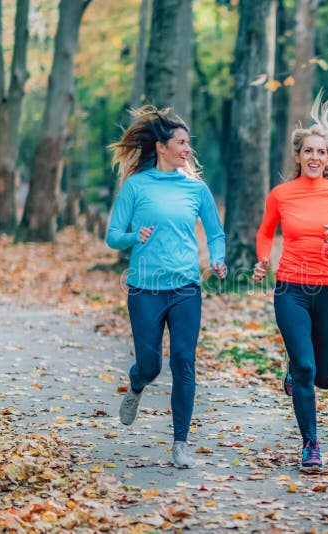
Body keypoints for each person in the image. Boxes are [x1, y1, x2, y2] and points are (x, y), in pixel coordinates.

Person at [253, 94, 328, 472]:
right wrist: (262, 261)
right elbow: (264, 233)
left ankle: (294, 370)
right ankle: (311, 445)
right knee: (306, 368)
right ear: (299, 156)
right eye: (308, 151)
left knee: (325, 375)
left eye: (321, 151)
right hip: (290, 288)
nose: (315, 157)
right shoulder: (281, 194)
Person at [107, 105, 226, 469]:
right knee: (150, 364)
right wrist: (133, 236)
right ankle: (136, 384)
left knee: (184, 362)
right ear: (161, 146)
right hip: (145, 288)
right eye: (181, 142)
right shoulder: (136, 186)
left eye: (189, 143)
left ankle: (180, 443)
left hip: (185, 287)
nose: (188, 149)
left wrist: (217, 259)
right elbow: (113, 236)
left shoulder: (196, 189)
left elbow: (216, 232)